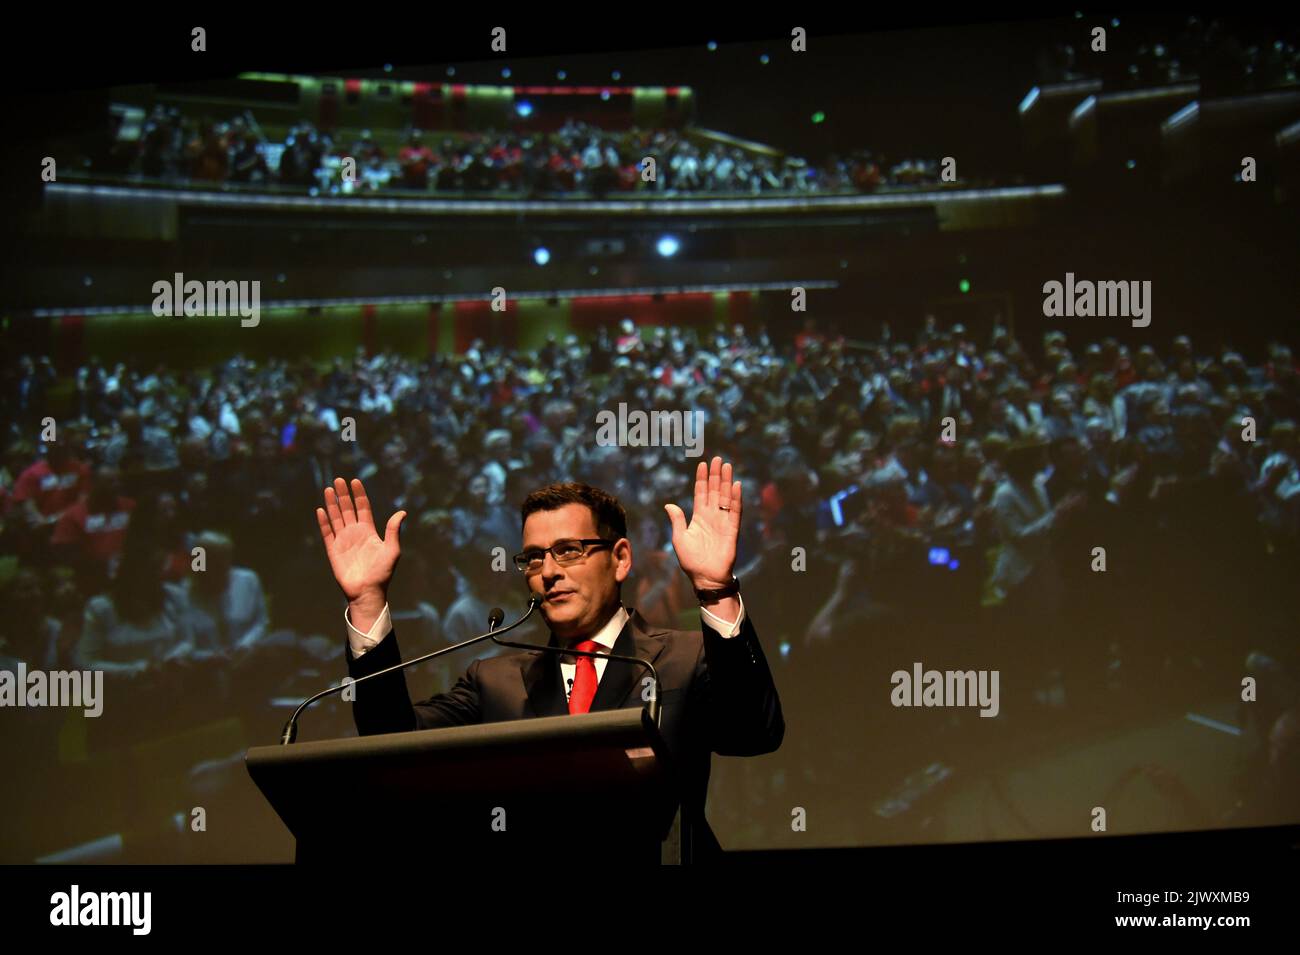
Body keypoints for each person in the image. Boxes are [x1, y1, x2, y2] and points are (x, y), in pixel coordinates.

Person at [314, 456, 784, 860]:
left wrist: (713, 586)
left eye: (569, 551)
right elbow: (391, 742)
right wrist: (368, 600)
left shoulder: (683, 656)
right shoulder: (494, 679)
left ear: (620, 558)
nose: (549, 573)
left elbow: (753, 731)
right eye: (534, 558)